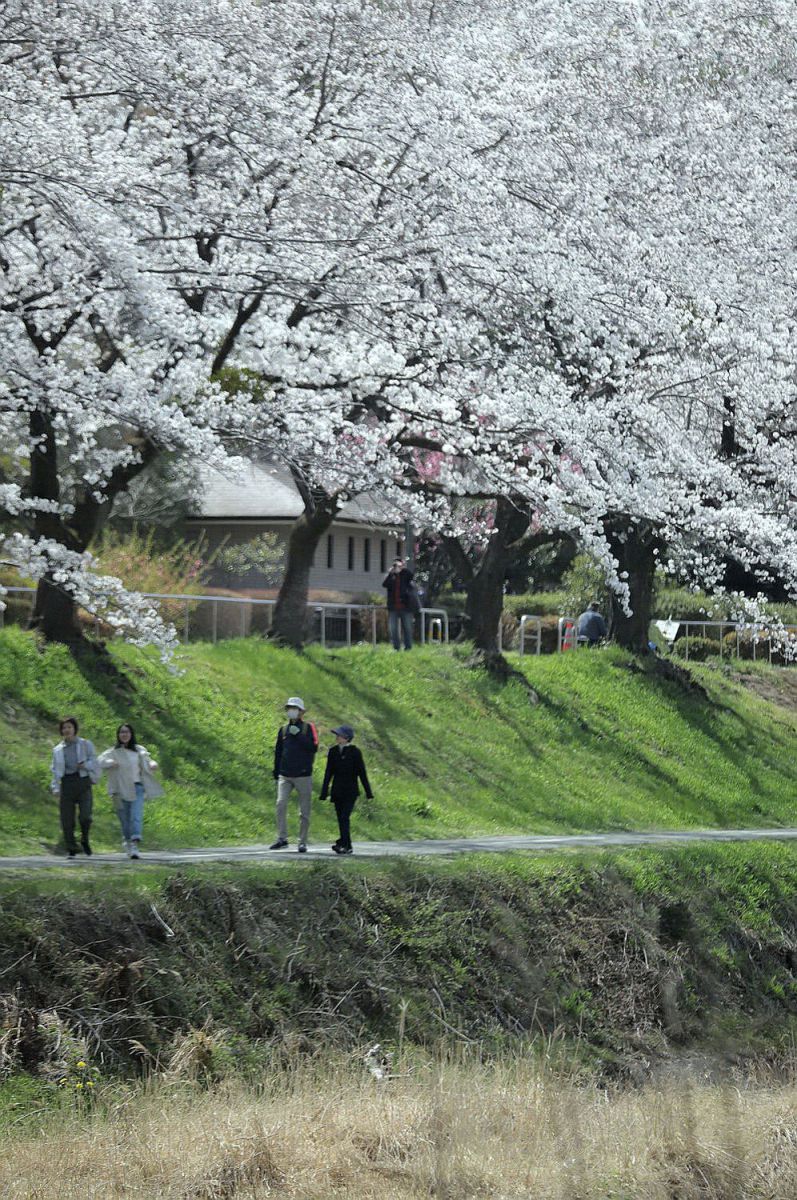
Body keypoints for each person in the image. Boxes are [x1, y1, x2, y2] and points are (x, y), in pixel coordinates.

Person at [98, 724, 163, 859]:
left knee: (135, 814)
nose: (124, 734)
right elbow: (100, 761)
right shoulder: (114, 751)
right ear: (118, 735)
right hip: (119, 789)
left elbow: (148, 760)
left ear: (131, 734)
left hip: (136, 787)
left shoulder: (139, 750)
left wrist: (152, 764)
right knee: (124, 818)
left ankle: (134, 843)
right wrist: (111, 762)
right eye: (122, 732)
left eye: (127, 732)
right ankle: (127, 841)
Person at [271, 697, 318, 853]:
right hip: (285, 775)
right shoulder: (283, 730)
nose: (291, 711)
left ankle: (302, 841)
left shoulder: (308, 728)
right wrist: (276, 770)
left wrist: (298, 735)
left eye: (295, 708)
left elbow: (313, 748)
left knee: (304, 811)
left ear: (301, 712)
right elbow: (278, 751)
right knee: (280, 804)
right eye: (289, 708)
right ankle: (282, 838)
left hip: (303, 775)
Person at [319, 724, 374, 855]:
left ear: (347, 738)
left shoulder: (355, 752)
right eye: (337, 734)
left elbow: (362, 773)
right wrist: (324, 791)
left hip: (350, 791)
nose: (337, 737)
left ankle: (344, 844)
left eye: (340, 735)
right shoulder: (333, 752)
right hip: (337, 790)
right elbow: (329, 773)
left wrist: (368, 792)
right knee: (340, 818)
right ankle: (345, 844)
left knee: (344, 817)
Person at [50, 717, 99, 858]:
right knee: (67, 818)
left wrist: (86, 766)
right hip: (67, 782)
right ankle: (71, 847)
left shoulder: (85, 744)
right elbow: (54, 769)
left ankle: (84, 838)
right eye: (64, 728)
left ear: (75, 729)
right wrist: (55, 787)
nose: (67, 730)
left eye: (69, 727)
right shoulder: (58, 750)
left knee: (86, 816)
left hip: (83, 781)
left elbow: (94, 761)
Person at [382, 557, 420, 651]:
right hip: (393, 607)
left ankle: (408, 647)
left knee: (407, 628)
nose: (397, 567)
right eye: (395, 565)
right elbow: (385, 584)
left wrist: (403, 568)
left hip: (406, 607)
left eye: (399, 564)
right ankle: (396, 647)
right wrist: (391, 573)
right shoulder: (391, 576)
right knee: (393, 629)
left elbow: (411, 576)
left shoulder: (406, 574)